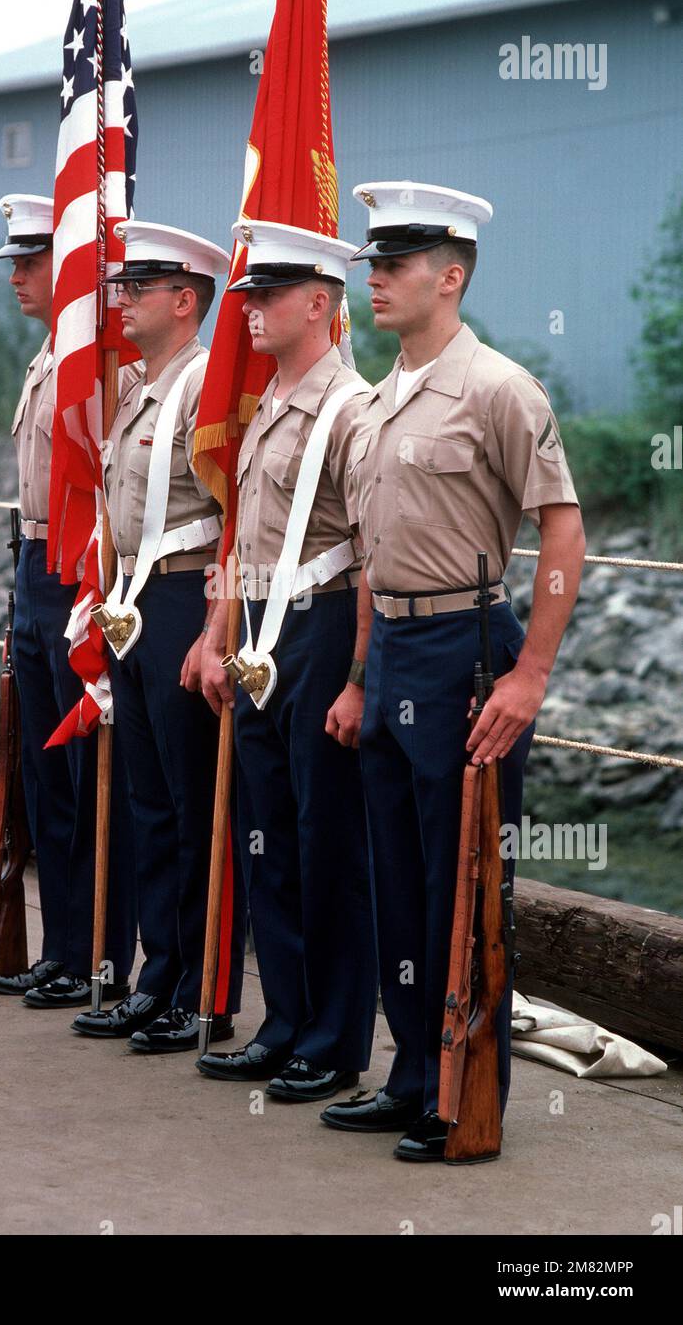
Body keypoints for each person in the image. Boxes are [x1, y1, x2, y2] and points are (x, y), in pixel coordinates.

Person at [321, 180, 585, 1159]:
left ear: (451, 274)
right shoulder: (373, 404)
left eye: (394, 265)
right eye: (374, 264)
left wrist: (531, 674)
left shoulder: (501, 390)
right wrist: (354, 676)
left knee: (467, 879)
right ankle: (408, 1073)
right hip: (390, 645)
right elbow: (365, 553)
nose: (376, 279)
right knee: (395, 879)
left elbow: (563, 525)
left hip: (467, 652)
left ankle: (466, 1090)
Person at [198, 221, 378, 1103]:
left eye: (267, 296)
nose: (252, 312)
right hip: (265, 632)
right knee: (267, 831)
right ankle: (285, 1021)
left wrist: (357, 677)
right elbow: (245, 536)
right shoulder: (268, 403)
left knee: (325, 839)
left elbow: (377, 554)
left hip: (324, 623)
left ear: (320, 302)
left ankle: (336, 1039)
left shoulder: (353, 409)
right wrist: (222, 634)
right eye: (248, 296)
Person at [73, 221, 245, 1052]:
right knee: (149, 804)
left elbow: (233, 521)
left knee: (193, 802)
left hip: (185, 603)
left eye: (137, 289)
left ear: (185, 301)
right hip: (137, 604)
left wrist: (216, 627)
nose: (121, 300)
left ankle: (203, 990)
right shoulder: (140, 387)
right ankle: (159, 975)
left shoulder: (211, 385)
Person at [0, 193, 136, 1009]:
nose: (17, 276)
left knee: (91, 778)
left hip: (84, 572)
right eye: (14, 262)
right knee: (45, 777)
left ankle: (101, 958)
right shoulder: (49, 358)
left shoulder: (107, 363)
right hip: (34, 567)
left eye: (31, 261)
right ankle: (62, 948)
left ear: (70, 263)